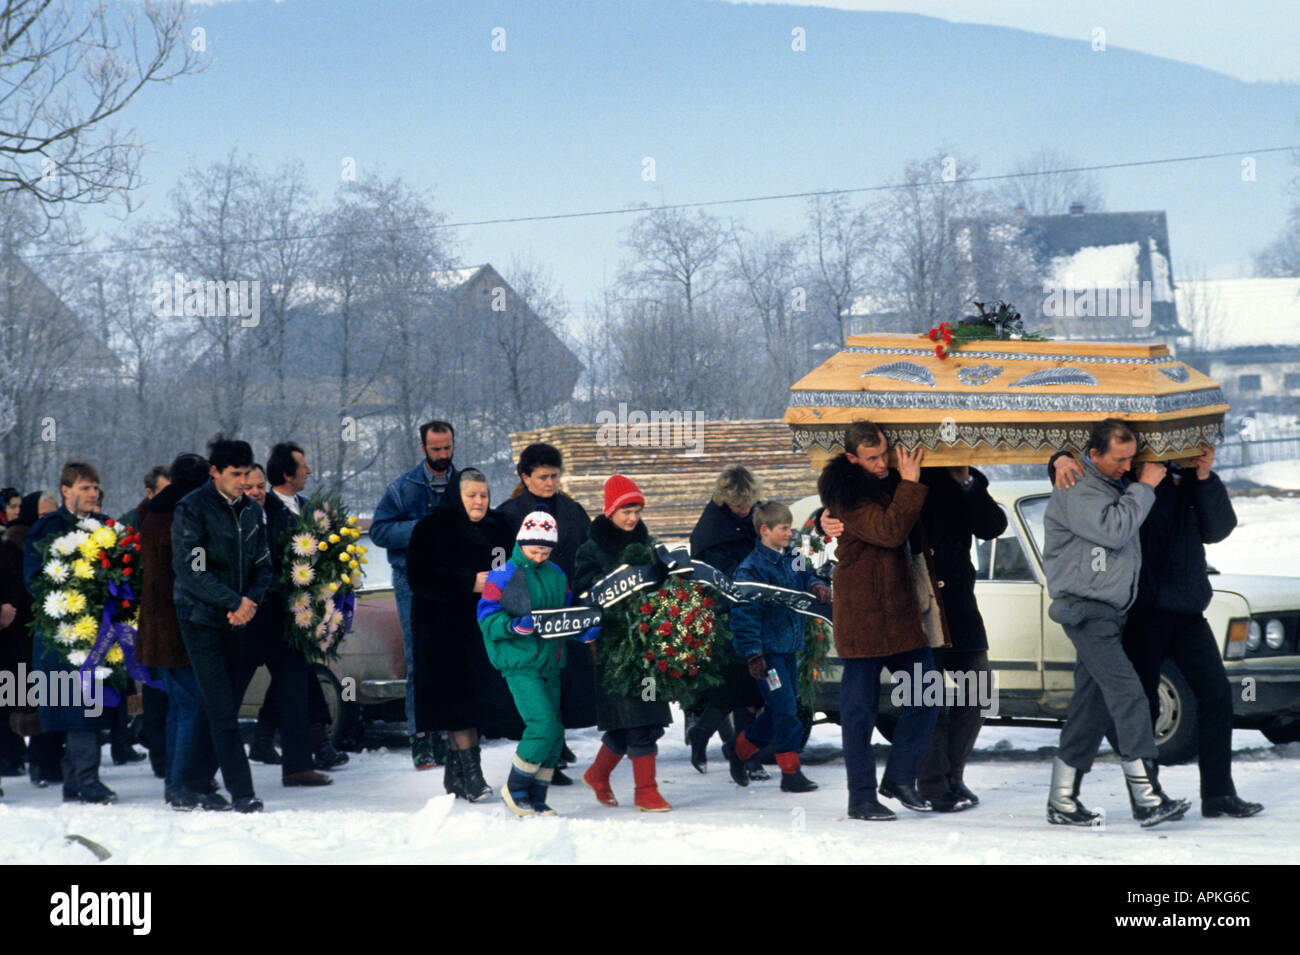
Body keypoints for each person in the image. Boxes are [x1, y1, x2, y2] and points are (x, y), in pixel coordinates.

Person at [1050, 441, 1262, 819]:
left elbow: (1219, 529)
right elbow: (1091, 473)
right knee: (1135, 701)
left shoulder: (1186, 481)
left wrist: (1204, 477)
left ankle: (1218, 793)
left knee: (1216, 696)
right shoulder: (1130, 478)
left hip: (1186, 610)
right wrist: (1059, 459)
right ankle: (1147, 796)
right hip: (1140, 614)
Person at [1041, 417, 1188, 828]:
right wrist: (1145, 486)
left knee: (1092, 707)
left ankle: (1062, 800)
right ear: (1093, 455)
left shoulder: (1105, 483)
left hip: (1105, 611)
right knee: (1128, 694)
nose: (1128, 466)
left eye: (1132, 459)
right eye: (1120, 459)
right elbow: (1114, 529)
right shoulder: (1078, 486)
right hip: (1087, 610)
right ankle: (1146, 797)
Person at [818, 421, 944, 821]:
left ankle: (899, 779)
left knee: (927, 695)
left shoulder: (881, 484)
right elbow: (890, 531)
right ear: (852, 458)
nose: (881, 463)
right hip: (863, 618)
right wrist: (909, 482)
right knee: (859, 715)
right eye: (871, 458)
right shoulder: (848, 496)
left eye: (884, 454)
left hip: (900, 614)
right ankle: (861, 798)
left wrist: (904, 483)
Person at [171, 435, 271, 813]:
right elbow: (191, 570)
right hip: (200, 619)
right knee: (223, 710)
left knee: (220, 705)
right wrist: (234, 602)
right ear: (214, 472)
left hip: (239, 618)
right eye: (235, 474)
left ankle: (191, 784)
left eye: (247, 473)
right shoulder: (192, 508)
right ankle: (242, 792)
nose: (243, 482)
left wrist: (249, 604)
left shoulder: (253, 511)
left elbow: (265, 567)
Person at [406, 467, 518, 802]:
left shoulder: (499, 527)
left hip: (483, 627)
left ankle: (456, 777)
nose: (479, 501)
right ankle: (472, 777)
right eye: (472, 495)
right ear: (457, 494)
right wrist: (469, 581)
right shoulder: (431, 527)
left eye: (483, 495)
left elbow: (514, 566)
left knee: (473, 702)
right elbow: (419, 576)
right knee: (456, 703)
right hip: (441, 629)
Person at [477, 511, 597, 815]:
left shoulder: (557, 575)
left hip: (551, 663)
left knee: (555, 731)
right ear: (521, 543)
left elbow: (565, 616)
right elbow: (486, 618)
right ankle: (515, 789)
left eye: (545, 551)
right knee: (542, 724)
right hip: (520, 664)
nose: (540, 556)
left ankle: (537, 796)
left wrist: (583, 629)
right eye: (534, 550)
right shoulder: (503, 573)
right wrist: (514, 626)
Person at [496, 442, 594, 782]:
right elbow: (499, 562)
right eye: (542, 477)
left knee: (563, 676)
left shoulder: (572, 510)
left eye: (554, 476)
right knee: (536, 681)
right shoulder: (509, 513)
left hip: (564, 600)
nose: (550, 483)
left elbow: (587, 551)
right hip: (526, 607)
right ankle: (540, 754)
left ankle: (557, 746)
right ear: (525, 477)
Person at [575, 476, 673, 812]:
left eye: (636, 510)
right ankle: (646, 791)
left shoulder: (649, 546)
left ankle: (598, 774)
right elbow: (583, 595)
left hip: (648, 650)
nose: (632, 518)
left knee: (643, 720)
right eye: (625, 511)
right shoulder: (591, 550)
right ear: (610, 511)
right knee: (637, 720)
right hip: (615, 651)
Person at [240, 442, 334, 788]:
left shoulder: (290, 511)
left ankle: (297, 766)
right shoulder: (238, 517)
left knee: (294, 690)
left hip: (285, 620)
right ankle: (199, 770)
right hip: (248, 620)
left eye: (259, 487)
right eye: (248, 487)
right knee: (230, 693)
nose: (255, 493)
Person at [23, 461, 117, 804]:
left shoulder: (106, 528)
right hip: (62, 633)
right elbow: (36, 580)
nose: (94, 494)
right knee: (78, 706)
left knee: (89, 704)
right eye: (85, 488)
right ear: (66, 491)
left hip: (99, 630)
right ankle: (84, 778)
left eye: (96, 488)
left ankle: (77, 778)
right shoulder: (48, 528)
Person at [723, 501, 831, 793]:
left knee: (780, 710)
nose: (788, 533)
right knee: (785, 710)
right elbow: (744, 612)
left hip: (789, 649)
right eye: (783, 528)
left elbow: (805, 574)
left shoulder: (792, 556)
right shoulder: (751, 570)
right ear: (765, 530)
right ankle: (790, 772)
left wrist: (815, 585)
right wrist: (753, 653)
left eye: (789, 527)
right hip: (768, 654)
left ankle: (739, 751)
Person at [370, 420, 458, 770]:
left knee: (453, 660)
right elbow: (378, 530)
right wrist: (421, 529)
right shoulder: (402, 488)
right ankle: (422, 737)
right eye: (435, 449)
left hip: (455, 581)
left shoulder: (463, 484)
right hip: (413, 582)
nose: (442, 455)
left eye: (447, 448)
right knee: (418, 658)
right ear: (422, 447)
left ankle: (455, 735)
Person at [137, 453, 213, 810]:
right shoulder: (180, 516)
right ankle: (181, 783)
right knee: (190, 707)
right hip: (176, 626)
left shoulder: (151, 513)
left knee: (177, 708)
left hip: (156, 627)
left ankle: (174, 780)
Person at [684, 466, 769, 779]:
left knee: (745, 686)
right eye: (738, 506)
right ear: (724, 502)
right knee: (744, 683)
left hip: (755, 607)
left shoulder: (753, 517)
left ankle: (705, 733)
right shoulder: (711, 531)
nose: (745, 511)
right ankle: (747, 757)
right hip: (726, 613)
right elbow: (712, 573)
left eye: (748, 505)